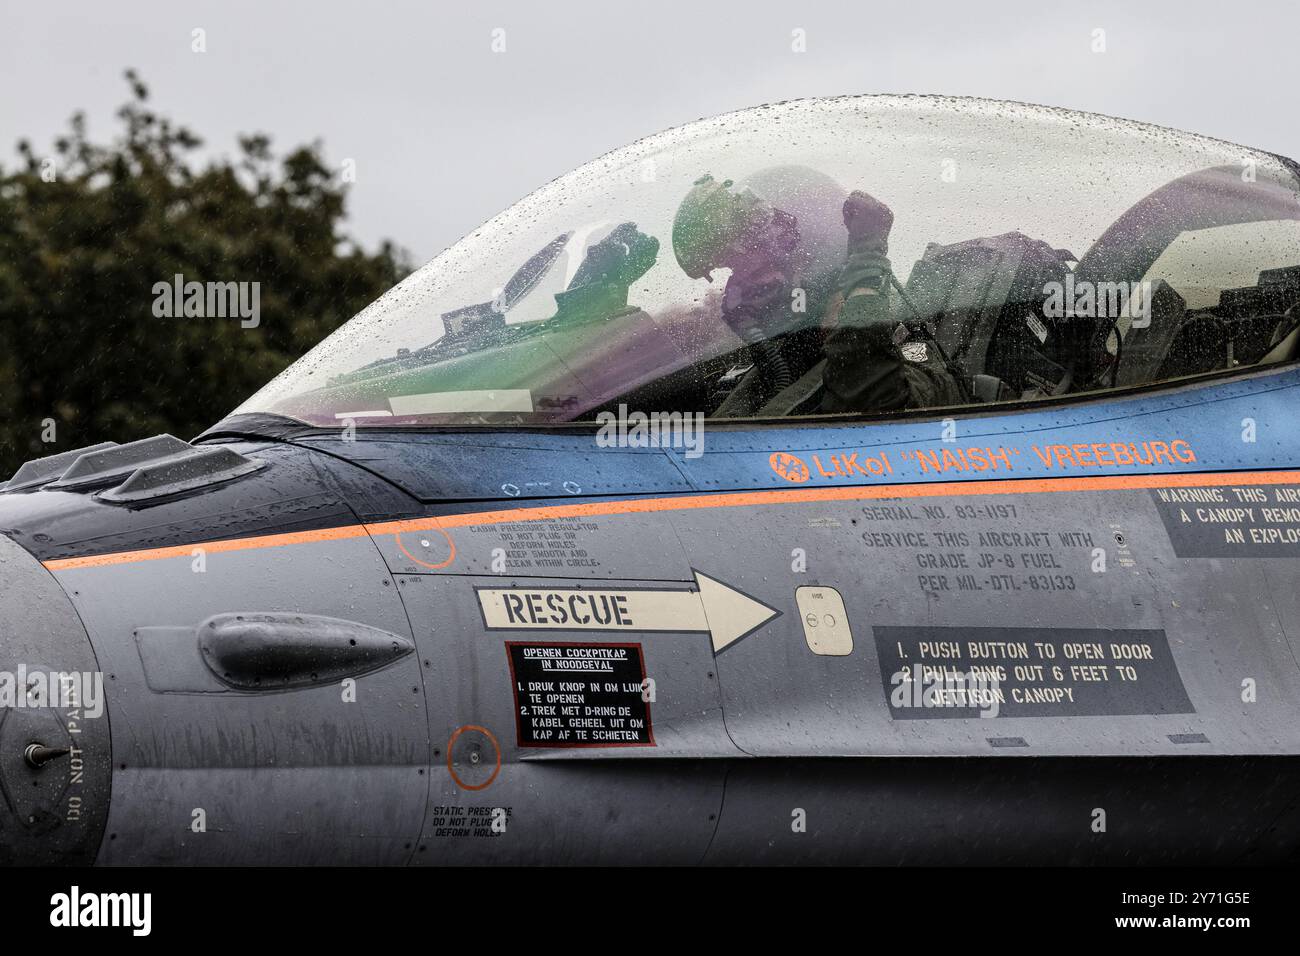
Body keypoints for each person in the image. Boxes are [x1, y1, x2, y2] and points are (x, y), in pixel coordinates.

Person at [819, 190, 965, 413]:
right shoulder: (783, 363)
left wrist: (867, 272)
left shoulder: (912, 364)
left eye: (850, 292)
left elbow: (873, 390)